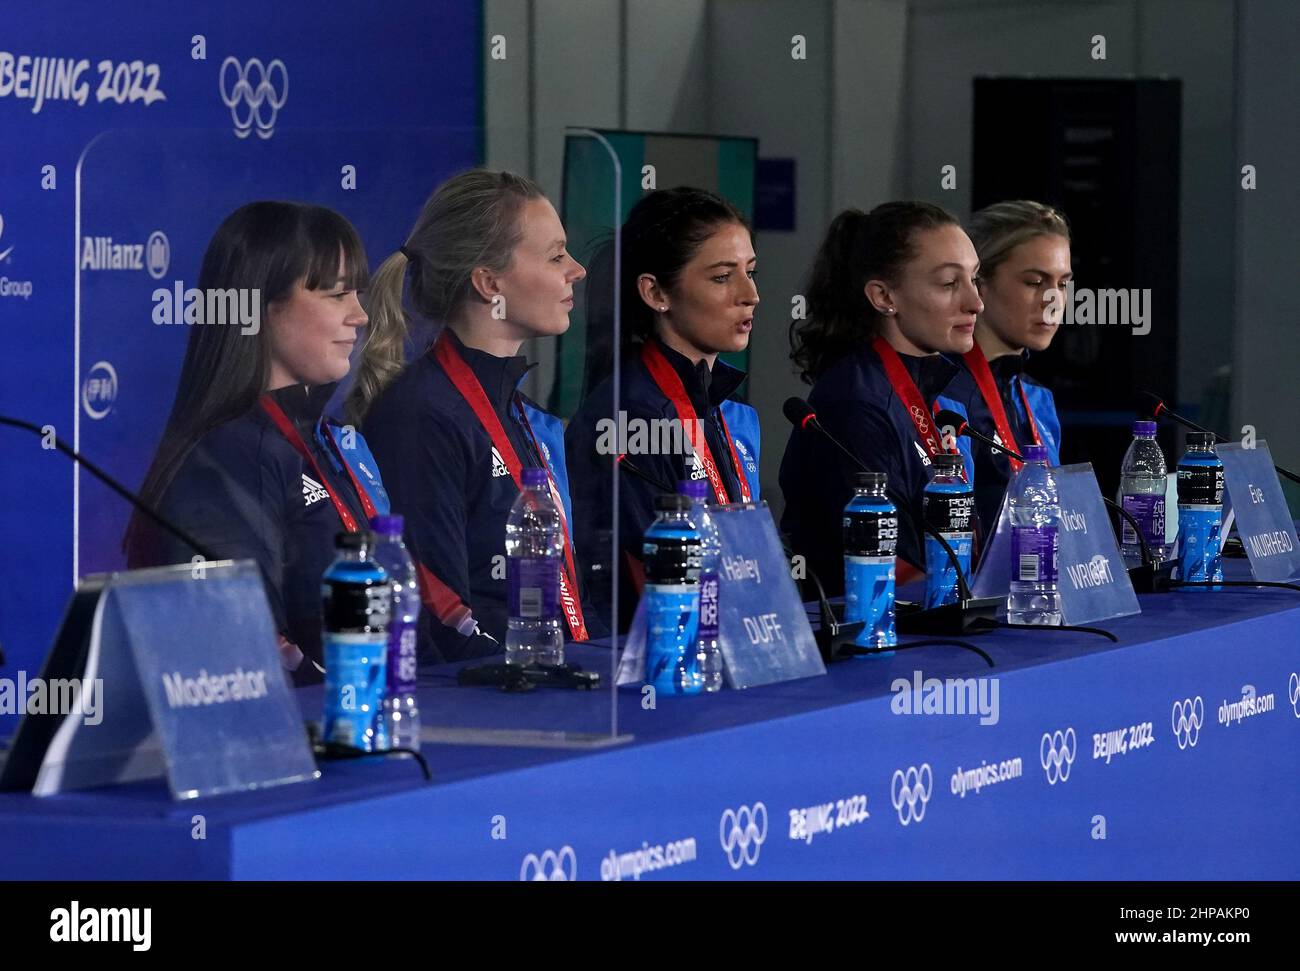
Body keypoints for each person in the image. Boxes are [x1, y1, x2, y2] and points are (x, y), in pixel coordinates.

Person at [126, 201, 389, 684]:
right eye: (337, 295)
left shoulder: (319, 440)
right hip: (301, 746)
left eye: (359, 294)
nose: (360, 316)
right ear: (262, 310)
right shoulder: (232, 452)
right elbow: (243, 662)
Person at [352, 170, 590, 664]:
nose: (578, 269)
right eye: (556, 255)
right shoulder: (421, 415)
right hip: (485, 703)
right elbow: (442, 618)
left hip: (538, 679)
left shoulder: (521, 413)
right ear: (489, 282)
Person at [566, 187, 762, 633]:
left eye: (751, 272)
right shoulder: (625, 421)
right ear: (656, 292)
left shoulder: (729, 411)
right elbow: (649, 580)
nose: (750, 294)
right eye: (721, 277)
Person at [780, 201, 980, 596]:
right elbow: (889, 565)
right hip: (874, 633)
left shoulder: (934, 394)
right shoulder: (855, 404)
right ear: (884, 296)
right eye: (948, 284)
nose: (976, 302)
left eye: (975, 279)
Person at [949, 200, 1069, 533]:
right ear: (980, 283)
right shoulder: (944, 395)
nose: (1053, 300)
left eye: (1062, 284)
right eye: (1034, 282)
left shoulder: (1036, 397)